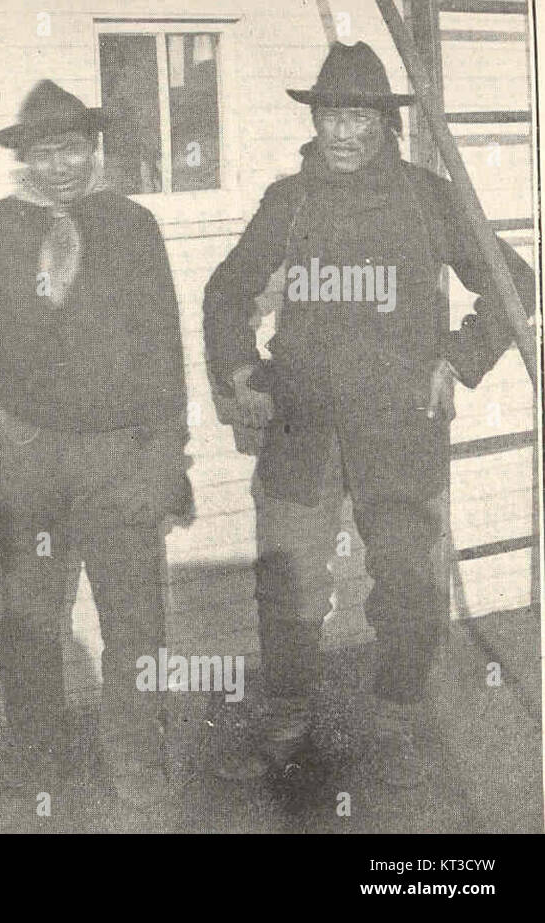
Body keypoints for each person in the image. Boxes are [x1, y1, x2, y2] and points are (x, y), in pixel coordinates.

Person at [202, 42, 536, 787]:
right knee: (289, 584)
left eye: (359, 117)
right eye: (331, 116)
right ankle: (286, 721)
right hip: (303, 430)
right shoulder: (288, 201)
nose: (344, 133)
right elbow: (225, 292)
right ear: (314, 120)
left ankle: (398, 721)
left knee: (409, 586)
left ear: (385, 123)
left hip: (399, 428)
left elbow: (514, 282)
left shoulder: (426, 198)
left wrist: (458, 358)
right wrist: (241, 372)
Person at [0, 80, 193, 807]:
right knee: (27, 621)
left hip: (120, 458)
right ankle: (39, 758)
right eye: (45, 153)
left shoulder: (132, 226)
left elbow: (163, 346)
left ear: (93, 149)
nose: (61, 166)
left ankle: (133, 757)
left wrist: (165, 453)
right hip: (30, 459)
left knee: (136, 623)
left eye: (73, 149)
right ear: (25, 159)